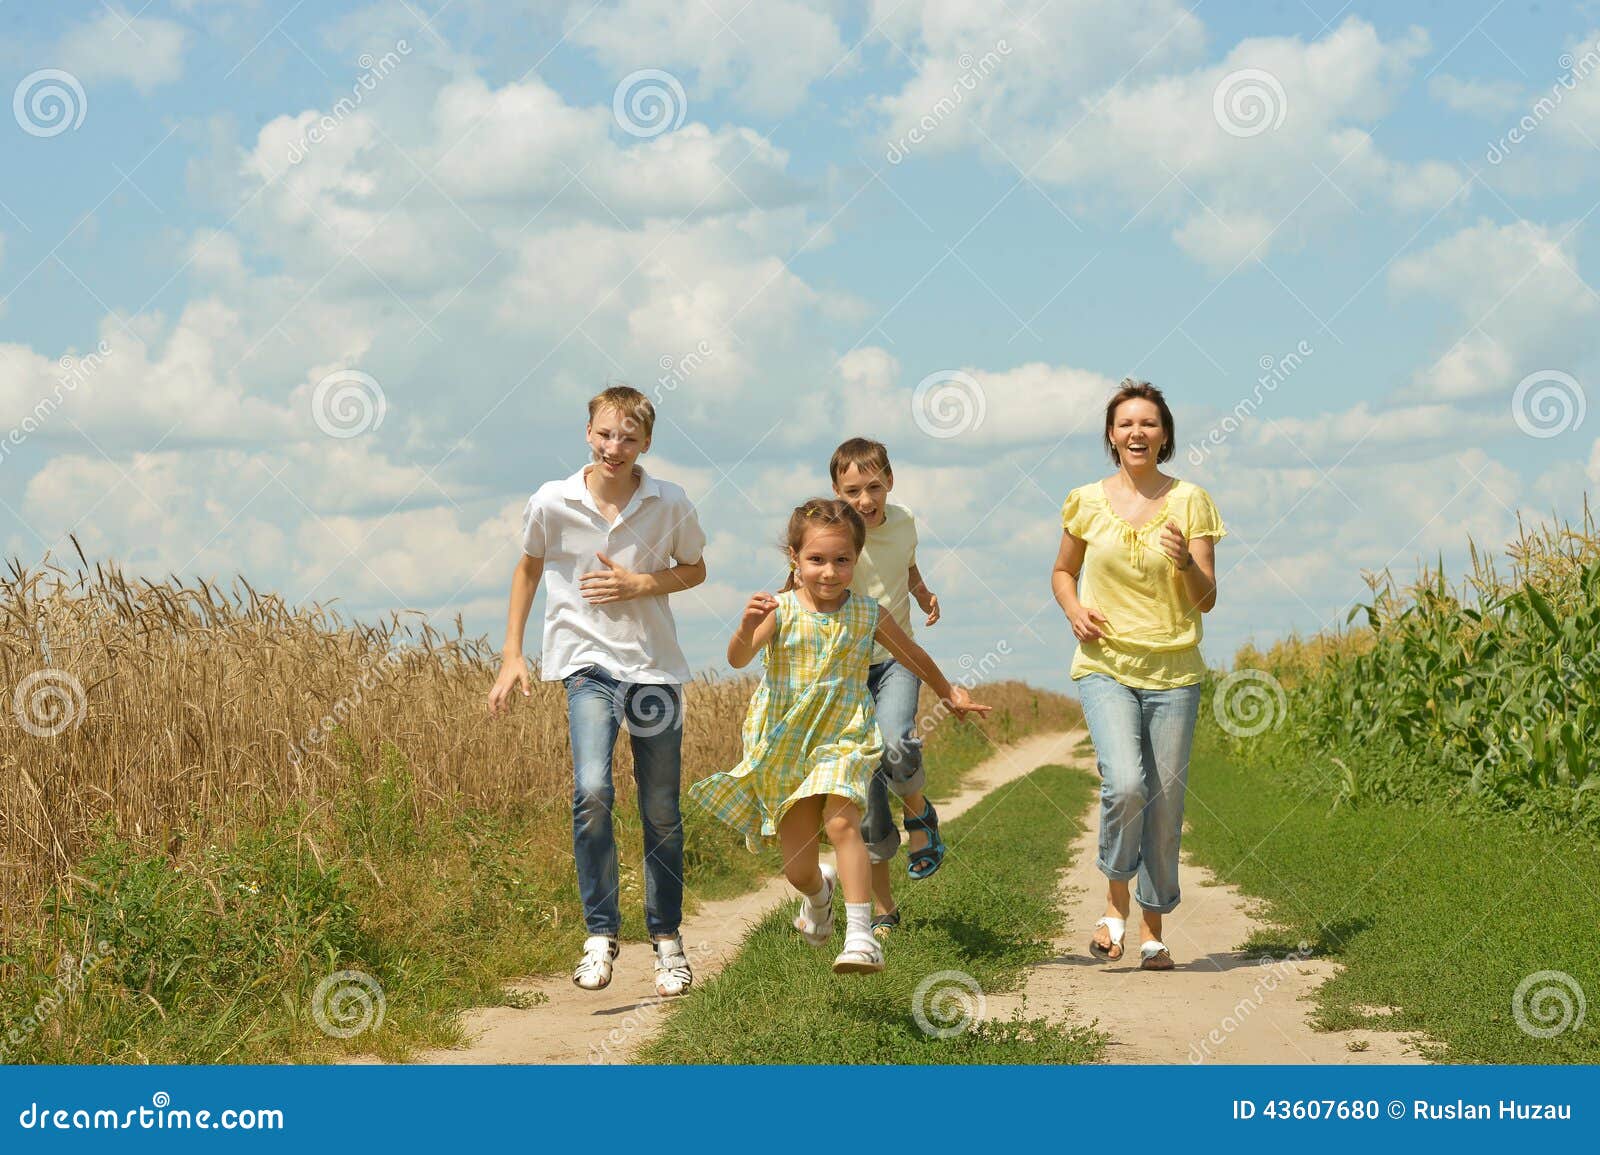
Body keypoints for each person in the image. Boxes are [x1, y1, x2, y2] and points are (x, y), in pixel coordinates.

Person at [689, 499, 989, 974]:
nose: (829, 572)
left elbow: (911, 655)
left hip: (844, 737)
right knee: (798, 869)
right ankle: (819, 893)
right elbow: (738, 659)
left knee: (844, 823)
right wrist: (746, 626)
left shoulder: (869, 613)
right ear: (795, 558)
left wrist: (949, 692)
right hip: (785, 742)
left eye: (841, 560)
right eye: (817, 560)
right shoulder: (781, 609)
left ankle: (862, 937)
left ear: (856, 559)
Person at [488, 385, 708, 997]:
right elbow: (528, 567)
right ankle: (600, 934)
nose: (616, 447)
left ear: (647, 443)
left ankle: (667, 941)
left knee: (660, 808)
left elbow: (695, 568)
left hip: (654, 669)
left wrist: (643, 582)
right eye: (606, 435)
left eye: (629, 438)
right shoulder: (551, 501)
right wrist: (512, 653)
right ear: (589, 432)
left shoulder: (671, 503)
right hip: (586, 666)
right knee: (591, 790)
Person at [1050, 379, 1226, 971]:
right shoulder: (1084, 500)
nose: (1137, 432)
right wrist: (1074, 609)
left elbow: (1207, 599)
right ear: (1110, 434)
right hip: (1105, 666)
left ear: (1165, 435)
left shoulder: (1191, 501)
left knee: (1165, 801)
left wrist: (1184, 565)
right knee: (1126, 785)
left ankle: (1152, 930)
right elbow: (1061, 572)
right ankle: (1112, 906)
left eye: (1148, 423)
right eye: (1126, 423)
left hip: (1175, 672)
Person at [829, 438, 944, 942]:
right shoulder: (831, 530)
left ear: (890, 482)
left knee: (896, 741)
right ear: (837, 491)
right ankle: (883, 909)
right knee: (866, 791)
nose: (866, 500)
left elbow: (906, 563)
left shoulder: (905, 522)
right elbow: (809, 576)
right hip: (847, 670)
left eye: (874, 486)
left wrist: (921, 592)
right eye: (853, 490)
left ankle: (920, 811)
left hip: (896, 659)